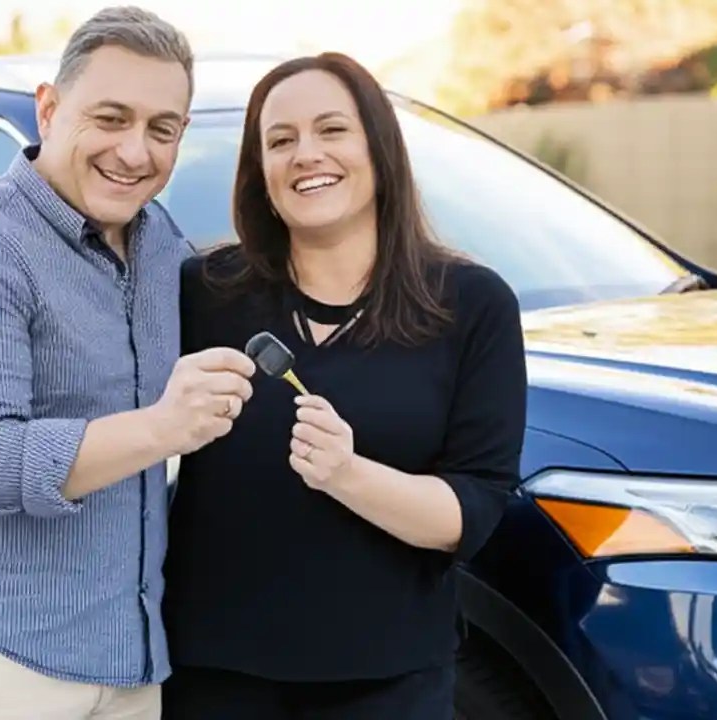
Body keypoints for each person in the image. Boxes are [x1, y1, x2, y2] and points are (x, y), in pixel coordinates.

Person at [0, 7, 256, 719]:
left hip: (127, 659)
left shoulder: (158, 243)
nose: (136, 151)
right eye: (110, 118)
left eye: (162, 128)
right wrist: (165, 426)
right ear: (49, 109)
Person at [161, 52, 528, 719]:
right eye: (280, 140)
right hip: (214, 678)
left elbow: (469, 514)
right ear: (259, 171)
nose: (306, 154)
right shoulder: (202, 295)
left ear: (377, 148)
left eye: (332, 130)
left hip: (388, 683)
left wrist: (346, 473)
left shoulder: (472, 306)